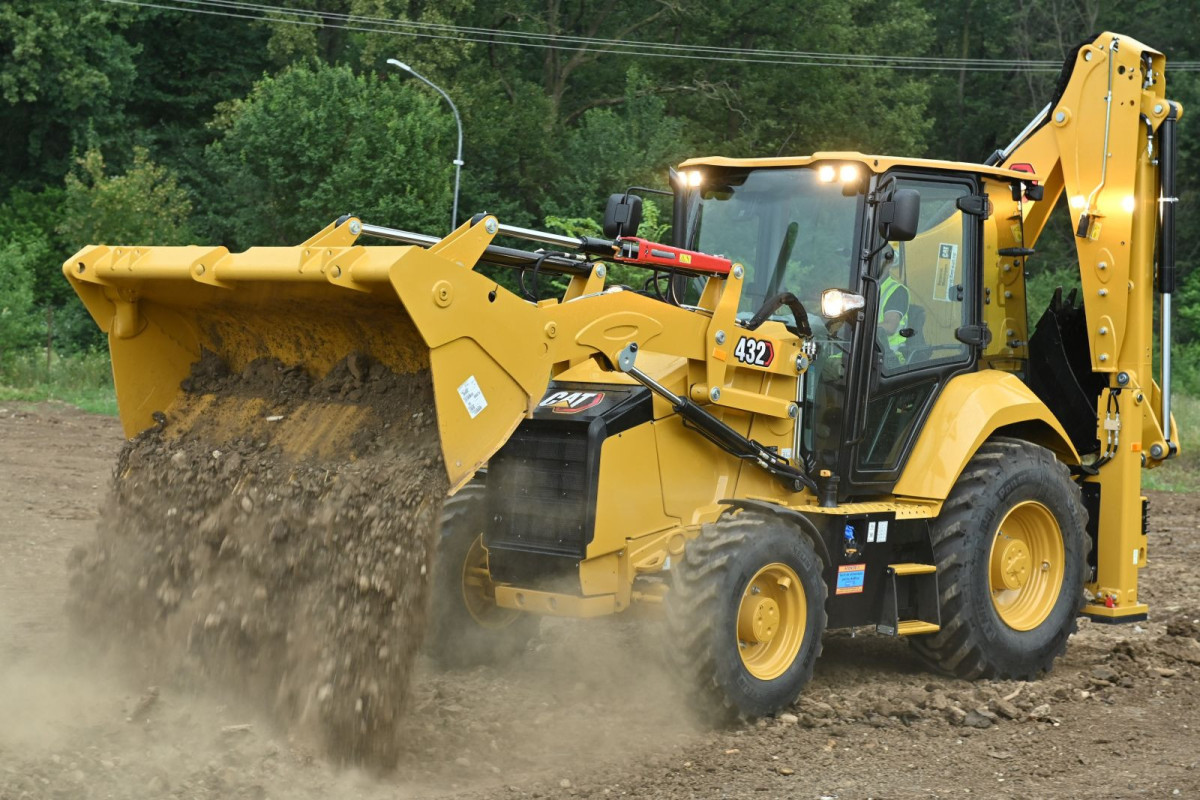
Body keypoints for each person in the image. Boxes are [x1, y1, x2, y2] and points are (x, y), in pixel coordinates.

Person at [877, 247, 910, 365]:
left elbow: (890, 327)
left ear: (890, 262)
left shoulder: (897, 291)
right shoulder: (865, 287)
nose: (875, 262)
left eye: (880, 257)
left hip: (888, 357)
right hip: (864, 351)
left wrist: (856, 327)